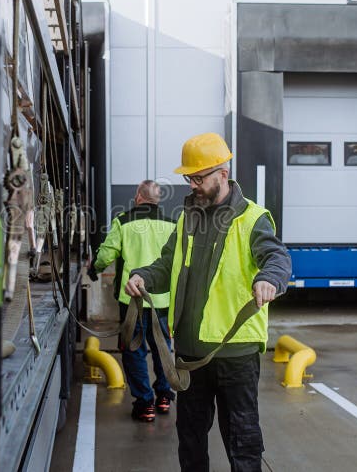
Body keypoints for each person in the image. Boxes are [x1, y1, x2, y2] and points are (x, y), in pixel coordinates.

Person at [125, 133, 291, 471]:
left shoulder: (252, 218)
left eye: (199, 177)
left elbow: (277, 257)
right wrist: (143, 275)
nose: (193, 185)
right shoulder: (188, 219)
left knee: (241, 440)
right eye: (190, 178)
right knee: (190, 438)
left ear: (223, 174)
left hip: (235, 352)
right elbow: (166, 263)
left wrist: (268, 278)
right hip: (191, 354)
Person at [89, 180, 177, 422]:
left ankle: (144, 403)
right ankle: (163, 396)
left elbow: (106, 254)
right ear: (157, 199)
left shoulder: (123, 221)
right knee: (163, 348)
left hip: (132, 300)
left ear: (138, 197)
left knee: (133, 349)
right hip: (162, 300)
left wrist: (93, 269)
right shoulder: (171, 224)